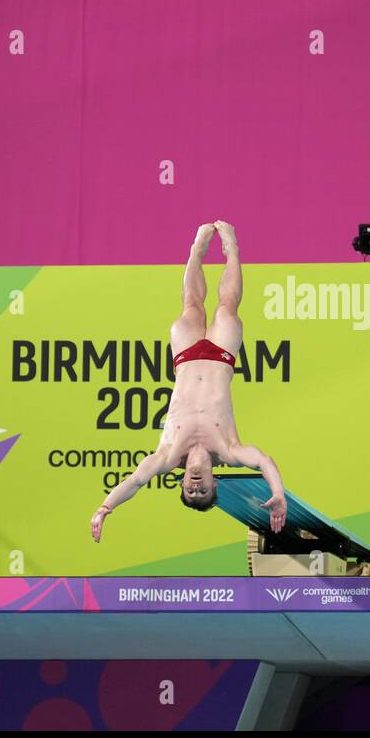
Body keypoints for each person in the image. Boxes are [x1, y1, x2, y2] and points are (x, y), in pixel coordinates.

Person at [90, 221, 286, 541]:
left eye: (190, 491)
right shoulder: (229, 451)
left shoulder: (168, 455)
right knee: (227, 308)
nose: (196, 487)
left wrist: (104, 508)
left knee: (191, 305)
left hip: (186, 357)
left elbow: (136, 480)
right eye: (203, 490)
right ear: (213, 481)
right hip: (221, 356)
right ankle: (232, 249)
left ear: (181, 482)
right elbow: (264, 461)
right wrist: (278, 493)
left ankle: (196, 250)